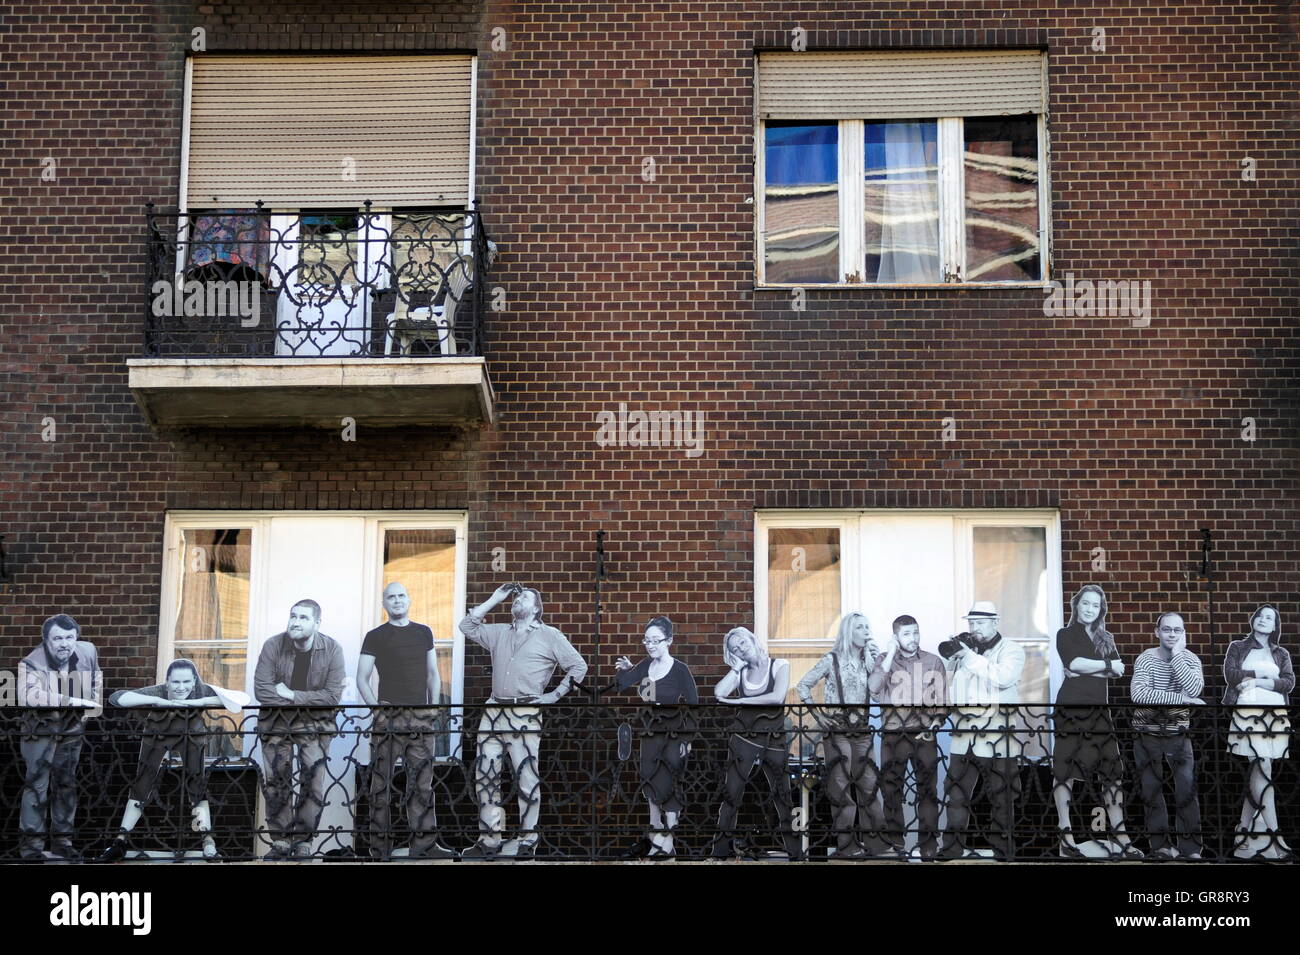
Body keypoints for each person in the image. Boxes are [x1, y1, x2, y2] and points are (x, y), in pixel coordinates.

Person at [460, 583, 588, 859]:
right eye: (516, 597)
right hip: (494, 712)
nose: (518, 600)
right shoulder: (498, 632)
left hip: (526, 713)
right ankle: (491, 838)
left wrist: (554, 695)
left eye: (524, 597)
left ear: (537, 608)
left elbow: (579, 666)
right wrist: (496, 597)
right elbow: (467, 626)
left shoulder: (549, 635)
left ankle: (528, 839)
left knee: (525, 777)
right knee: (487, 775)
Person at [96, 659, 242, 863]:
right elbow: (117, 698)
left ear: (194, 682)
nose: (181, 688)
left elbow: (240, 700)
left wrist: (194, 703)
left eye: (186, 682)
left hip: (191, 736)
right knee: (142, 784)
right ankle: (120, 841)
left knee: (196, 784)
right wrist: (163, 702)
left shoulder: (201, 690)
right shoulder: (158, 691)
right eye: (175, 682)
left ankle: (208, 842)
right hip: (157, 734)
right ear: (167, 682)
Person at [358, 582, 456, 860]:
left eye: (402, 595)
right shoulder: (376, 636)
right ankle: (379, 849)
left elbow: (433, 674)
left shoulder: (423, 632)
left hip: (420, 717)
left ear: (409, 599)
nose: (397, 600)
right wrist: (376, 709)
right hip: (388, 718)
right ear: (384, 604)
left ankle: (423, 846)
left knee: (422, 784)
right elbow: (361, 678)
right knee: (381, 784)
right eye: (391, 597)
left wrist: (434, 708)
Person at [1052, 584, 1142, 859]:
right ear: (1077, 605)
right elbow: (1076, 663)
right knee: (1065, 771)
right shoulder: (1065, 634)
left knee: (1112, 771)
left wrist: (1088, 667)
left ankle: (1120, 835)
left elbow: (1120, 670)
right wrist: (1102, 666)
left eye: (1095, 605)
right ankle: (1065, 838)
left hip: (1100, 713)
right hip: (1071, 709)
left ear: (1100, 609)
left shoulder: (1106, 636)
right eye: (1085, 603)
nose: (1090, 609)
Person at [253, 598, 345, 861]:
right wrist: (306, 697)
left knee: (313, 783)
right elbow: (262, 690)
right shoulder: (273, 645)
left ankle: (303, 841)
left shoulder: (332, 649)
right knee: (276, 782)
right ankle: (281, 841)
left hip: (314, 725)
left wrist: (292, 695)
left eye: (303, 618)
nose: (295, 622)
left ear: (317, 622)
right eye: (293, 616)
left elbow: (332, 697)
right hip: (276, 723)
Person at [937, 601, 1024, 861]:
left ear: (995, 623)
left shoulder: (1012, 650)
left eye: (980, 623)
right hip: (964, 736)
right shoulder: (966, 653)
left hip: (998, 736)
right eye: (971, 623)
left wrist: (969, 657)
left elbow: (1003, 678)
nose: (974, 628)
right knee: (955, 793)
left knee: (1002, 795)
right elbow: (953, 687)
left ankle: (1003, 849)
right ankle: (951, 848)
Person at [795, 612, 886, 858]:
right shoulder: (831, 660)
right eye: (860, 627)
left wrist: (876, 666)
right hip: (837, 732)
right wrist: (818, 716)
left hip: (863, 732)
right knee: (842, 788)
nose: (867, 631)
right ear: (849, 631)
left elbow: (878, 695)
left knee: (870, 787)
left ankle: (877, 847)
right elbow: (803, 685)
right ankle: (847, 847)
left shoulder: (870, 661)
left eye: (868, 626)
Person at [711, 627, 804, 861]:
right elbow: (719, 692)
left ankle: (796, 853)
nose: (740, 648)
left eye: (742, 642)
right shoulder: (740, 671)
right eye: (734, 648)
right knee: (731, 794)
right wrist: (735, 667)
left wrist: (740, 700)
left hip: (773, 739)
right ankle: (719, 852)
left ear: (752, 639)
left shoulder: (779, 665)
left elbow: (777, 696)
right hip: (743, 739)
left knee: (783, 796)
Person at [17, 614, 102, 862]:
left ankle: (63, 843)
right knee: (37, 786)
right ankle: (31, 849)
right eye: (57, 638)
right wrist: (73, 701)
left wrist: (91, 709)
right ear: (46, 640)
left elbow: (96, 677)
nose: (64, 643)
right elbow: (27, 696)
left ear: (76, 637)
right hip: (40, 728)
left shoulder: (88, 650)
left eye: (69, 637)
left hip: (72, 728)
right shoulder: (31, 663)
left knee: (66, 784)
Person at [612, 616, 699, 858]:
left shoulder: (680, 669)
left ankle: (668, 841)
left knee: (669, 782)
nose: (650, 646)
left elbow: (693, 705)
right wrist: (626, 670)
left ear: (669, 641)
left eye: (655, 641)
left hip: (673, 734)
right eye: (646, 641)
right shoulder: (644, 666)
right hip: (649, 734)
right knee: (649, 782)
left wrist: (687, 739)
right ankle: (655, 834)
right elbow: (622, 684)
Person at [870, 614, 948, 860]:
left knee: (927, 789)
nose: (913, 638)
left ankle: (928, 844)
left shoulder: (933, 661)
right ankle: (896, 843)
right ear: (895, 636)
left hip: (924, 733)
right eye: (906, 634)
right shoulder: (883, 661)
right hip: (893, 732)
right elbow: (873, 690)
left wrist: (935, 724)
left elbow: (943, 700)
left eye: (915, 632)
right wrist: (890, 653)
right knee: (891, 788)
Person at [1129, 612, 1205, 860]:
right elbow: (1139, 695)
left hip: (1178, 734)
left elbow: (1195, 688)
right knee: (1151, 792)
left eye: (1177, 630)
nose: (1172, 634)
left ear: (1183, 633)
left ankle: (1190, 849)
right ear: (1157, 632)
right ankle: (1161, 847)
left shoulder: (1191, 659)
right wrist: (1182, 699)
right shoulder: (1146, 659)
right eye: (1167, 629)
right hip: (1146, 733)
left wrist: (1177, 657)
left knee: (1186, 791)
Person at [1225, 604, 1293, 860]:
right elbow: (1231, 675)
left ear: (1275, 626)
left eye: (1270, 618)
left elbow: (1289, 682)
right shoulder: (1238, 647)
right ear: (1253, 620)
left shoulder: (1281, 652)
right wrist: (1259, 673)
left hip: (1274, 715)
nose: (1264, 620)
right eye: (1260, 616)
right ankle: (1276, 836)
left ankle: (1242, 832)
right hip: (1247, 713)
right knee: (1262, 767)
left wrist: (1256, 681)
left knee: (1260, 770)